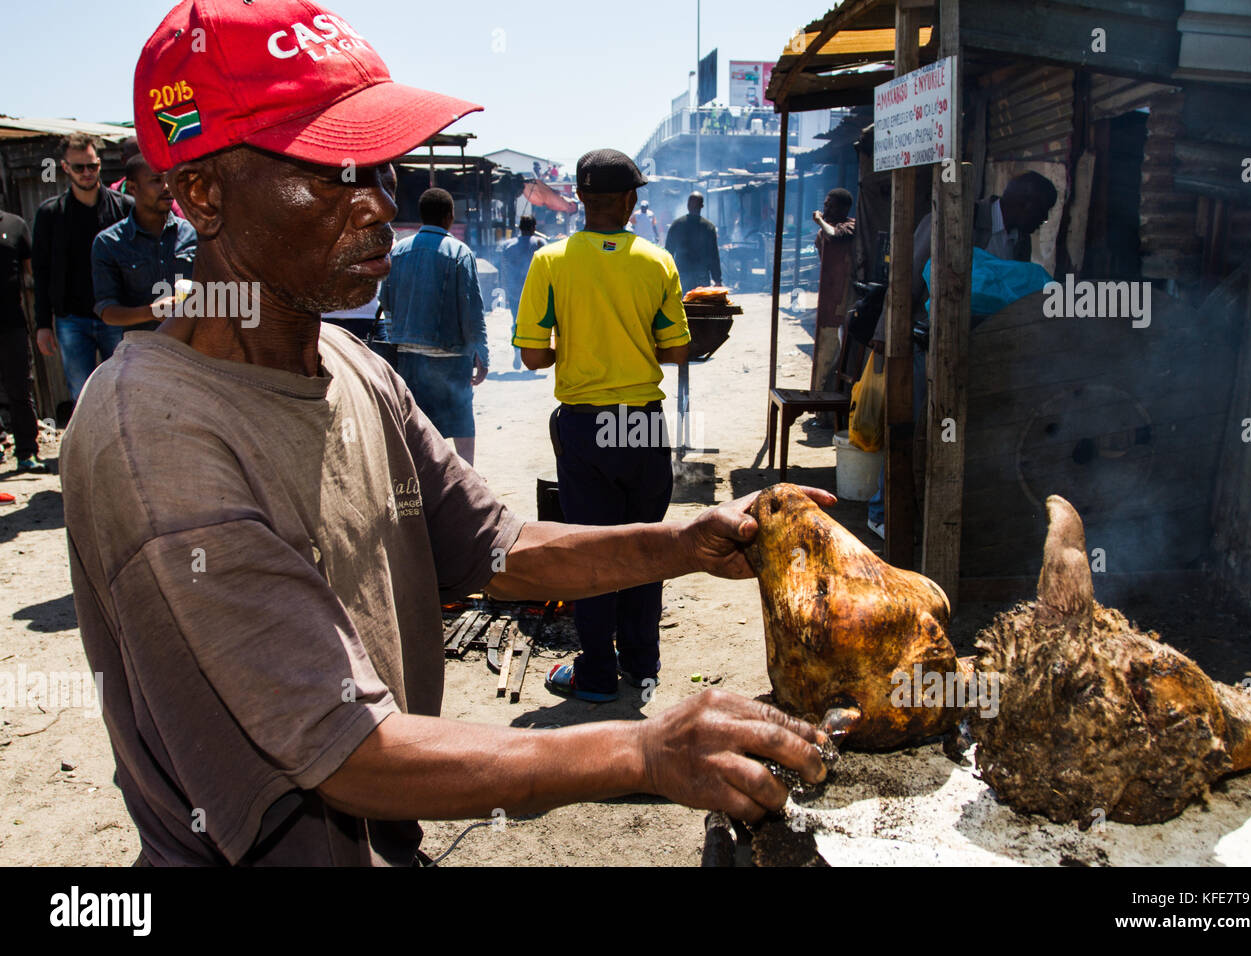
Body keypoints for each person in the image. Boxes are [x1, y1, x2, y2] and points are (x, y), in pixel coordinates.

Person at [62, 0, 829, 867]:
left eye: (380, 172)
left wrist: (685, 542)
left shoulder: (354, 366)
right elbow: (351, 753)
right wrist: (641, 750)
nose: (376, 207)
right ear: (203, 194)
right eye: (331, 174)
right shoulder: (155, 436)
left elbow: (497, 549)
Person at [513, 148, 693, 704]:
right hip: (641, 424)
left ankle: (594, 675)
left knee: (591, 553)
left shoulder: (551, 262)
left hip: (586, 426)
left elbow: (533, 359)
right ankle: (642, 668)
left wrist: (578, 341)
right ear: (632, 202)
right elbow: (678, 350)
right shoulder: (657, 262)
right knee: (645, 547)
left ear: (579, 202)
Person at [863, 171, 1058, 538]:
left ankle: (933, 514)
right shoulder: (954, 216)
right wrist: (885, 333)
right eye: (1043, 212)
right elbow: (906, 277)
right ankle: (882, 512)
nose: (1043, 221)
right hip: (925, 340)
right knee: (912, 425)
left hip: (974, 348)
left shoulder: (1019, 239)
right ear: (1025, 203)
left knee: (953, 434)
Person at [379, 187, 488, 465]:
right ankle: (466, 480)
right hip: (451, 357)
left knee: (417, 425)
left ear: (421, 216)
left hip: (408, 356)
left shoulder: (399, 251)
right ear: (450, 216)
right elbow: (472, 308)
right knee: (462, 422)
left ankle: (422, 485)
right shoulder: (460, 253)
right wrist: (481, 353)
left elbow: (386, 300)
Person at [31, 133, 134, 403]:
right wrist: (43, 324)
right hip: (73, 319)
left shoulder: (123, 208)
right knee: (84, 396)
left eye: (92, 166)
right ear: (65, 168)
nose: (87, 173)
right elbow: (40, 272)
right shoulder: (51, 214)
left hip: (117, 315)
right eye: (79, 167)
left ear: (99, 164)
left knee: (126, 391)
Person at [92, 153, 198, 332]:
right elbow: (107, 311)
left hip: (193, 346)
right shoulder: (109, 243)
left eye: (169, 179)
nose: (167, 187)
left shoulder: (195, 234)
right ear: (132, 188)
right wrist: (151, 312)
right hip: (141, 349)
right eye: (156, 181)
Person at [0, 205, 48, 473]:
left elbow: (32, 273)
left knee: (20, 387)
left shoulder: (15, 225)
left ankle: (27, 452)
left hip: (11, 323)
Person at [810, 188, 857, 407]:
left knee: (838, 357)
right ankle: (820, 406)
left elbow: (834, 236)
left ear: (843, 208)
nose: (826, 208)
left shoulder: (850, 226)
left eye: (831, 205)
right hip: (829, 300)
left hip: (845, 300)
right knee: (823, 357)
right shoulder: (824, 232)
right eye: (825, 204)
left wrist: (820, 220)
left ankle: (828, 407)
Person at [500, 215, 546, 370]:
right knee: (535, 324)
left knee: (516, 323)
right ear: (534, 227)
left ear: (520, 228)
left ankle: (517, 350)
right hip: (536, 293)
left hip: (514, 292)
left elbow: (504, 271)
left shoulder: (508, 245)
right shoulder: (540, 243)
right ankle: (532, 354)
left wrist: (504, 290)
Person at [664, 191, 722, 294]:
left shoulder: (677, 224)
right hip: (702, 275)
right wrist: (717, 279)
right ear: (702, 206)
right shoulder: (708, 227)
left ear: (687, 206)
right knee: (702, 305)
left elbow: (668, 252)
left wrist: (666, 275)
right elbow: (713, 255)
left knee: (683, 305)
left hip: (682, 273)